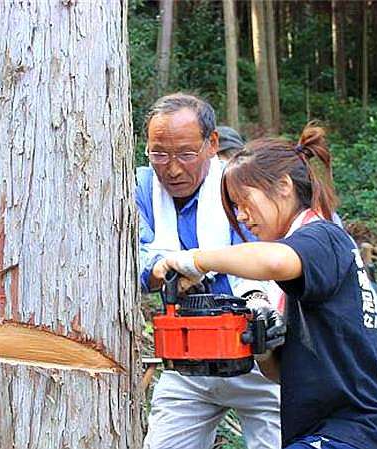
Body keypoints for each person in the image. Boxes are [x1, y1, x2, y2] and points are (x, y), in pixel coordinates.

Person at [153, 124, 377, 449]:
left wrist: (197, 260)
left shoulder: (322, 237)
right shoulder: (304, 264)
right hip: (323, 432)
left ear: (284, 186)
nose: (242, 217)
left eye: (245, 202)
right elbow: (281, 375)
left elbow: (273, 261)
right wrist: (264, 349)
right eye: (235, 209)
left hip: (353, 432)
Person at [136, 93, 281, 449]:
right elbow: (130, 258)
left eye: (186, 154)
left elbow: (262, 256)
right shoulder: (140, 187)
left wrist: (198, 262)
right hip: (188, 356)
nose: (172, 168)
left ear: (211, 143)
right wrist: (161, 270)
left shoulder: (240, 188)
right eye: (159, 154)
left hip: (256, 352)